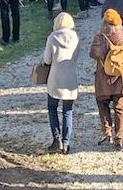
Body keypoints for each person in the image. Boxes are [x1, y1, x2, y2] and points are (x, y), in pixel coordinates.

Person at [89, 9, 123, 151]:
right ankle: (119, 139)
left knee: (102, 103)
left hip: (104, 77)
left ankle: (107, 131)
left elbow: (93, 54)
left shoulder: (100, 37)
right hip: (122, 78)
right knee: (121, 108)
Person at [43, 12, 80, 154]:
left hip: (55, 77)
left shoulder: (52, 37)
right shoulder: (75, 37)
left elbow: (47, 60)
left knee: (52, 108)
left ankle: (56, 138)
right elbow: (76, 57)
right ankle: (66, 143)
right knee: (67, 111)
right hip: (70, 77)